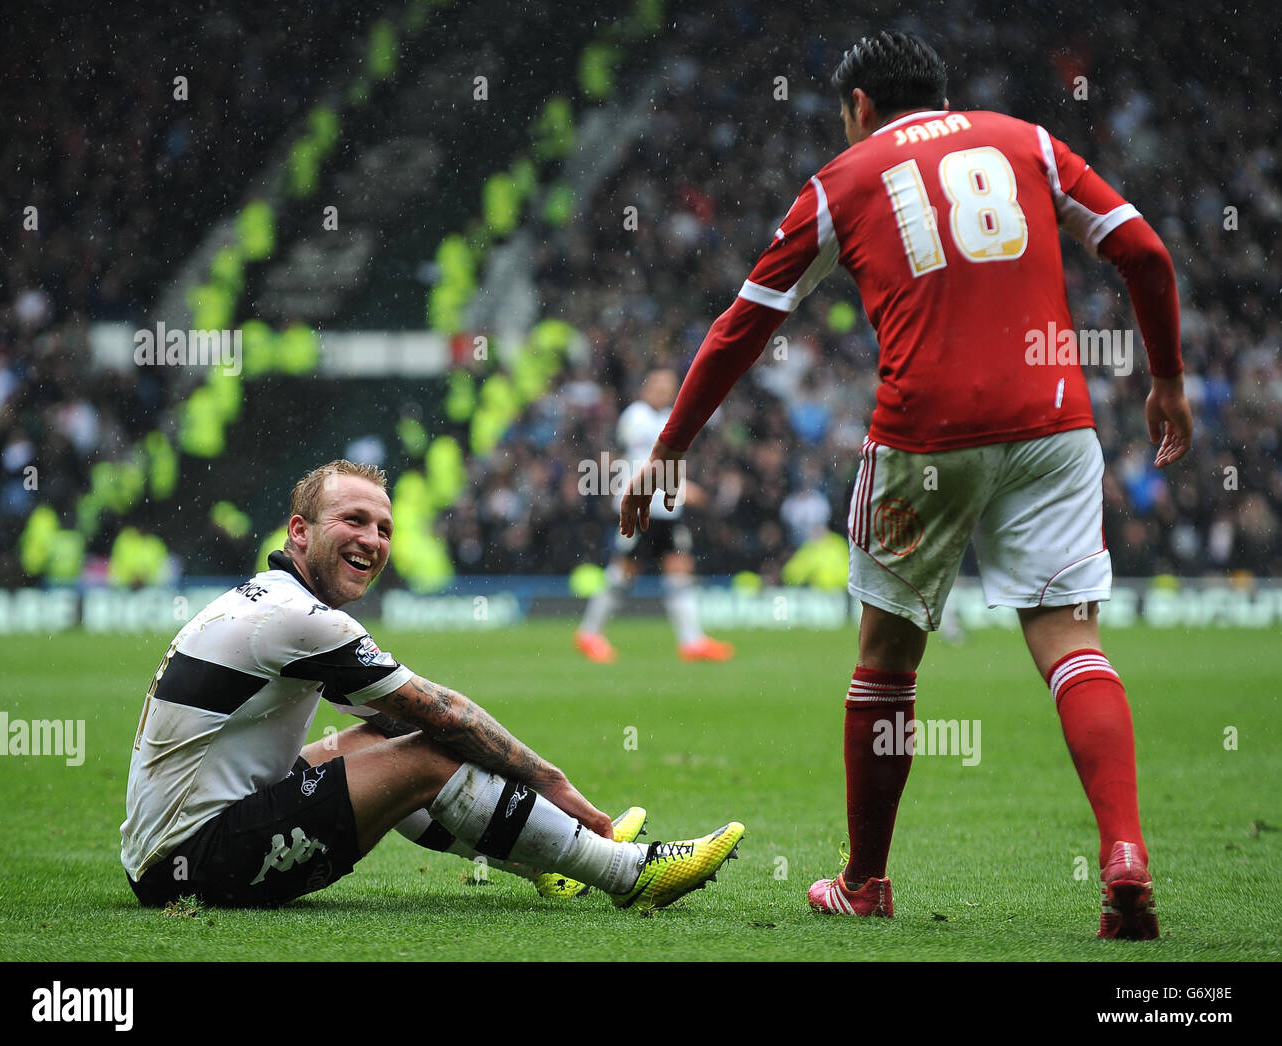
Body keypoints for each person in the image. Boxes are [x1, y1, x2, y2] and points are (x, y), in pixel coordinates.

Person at [619, 31, 1192, 940]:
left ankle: (866, 880)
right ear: (941, 93)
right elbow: (1147, 254)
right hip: (1055, 421)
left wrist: (668, 450)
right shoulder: (1029, 143)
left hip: (924, 435)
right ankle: (1123, 852)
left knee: (887, 660)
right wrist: (1164, 379)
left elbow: (741, 328)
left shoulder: (843, 182)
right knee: (1069, 641)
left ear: (859, 107)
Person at [121, 459, 742, 909]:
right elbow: (444, 713)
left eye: (384, 528)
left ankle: (545, 860)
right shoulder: (296, 619)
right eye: (352, 520)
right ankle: (626, 872)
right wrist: (555, 785)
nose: (372, 540)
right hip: (188, 867)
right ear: (300, 531)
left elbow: (395, 719)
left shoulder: (273, 600)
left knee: (369, 742)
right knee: (424, 754)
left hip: (165, 853)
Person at [575, 368, 734, 663]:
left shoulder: (666, 418)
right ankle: (589, 633)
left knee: (680, 572)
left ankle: (692, 641)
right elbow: (643, 463)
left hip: (667, 511)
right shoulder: (637, 417)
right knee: (623, 576)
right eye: (658, 385)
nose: (664, 390)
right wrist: (685, 488)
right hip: (642, 508)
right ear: (645, 387)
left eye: (669, 386)